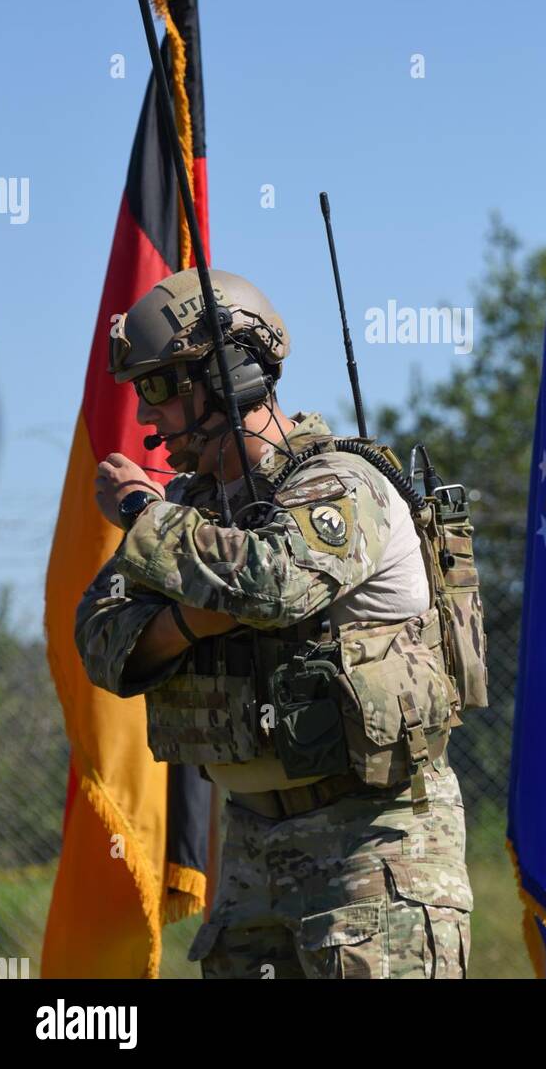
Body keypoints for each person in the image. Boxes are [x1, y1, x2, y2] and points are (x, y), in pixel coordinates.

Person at [75, 268, 476, 979]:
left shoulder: (341, 484)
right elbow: (103, 643)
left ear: (229, 377)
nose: (148, 418)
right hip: (253, 843)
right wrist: (199, 620)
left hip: (374, 842)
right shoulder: (193, 512)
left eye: (161, 388)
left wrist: (146, 517)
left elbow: (274, 583)